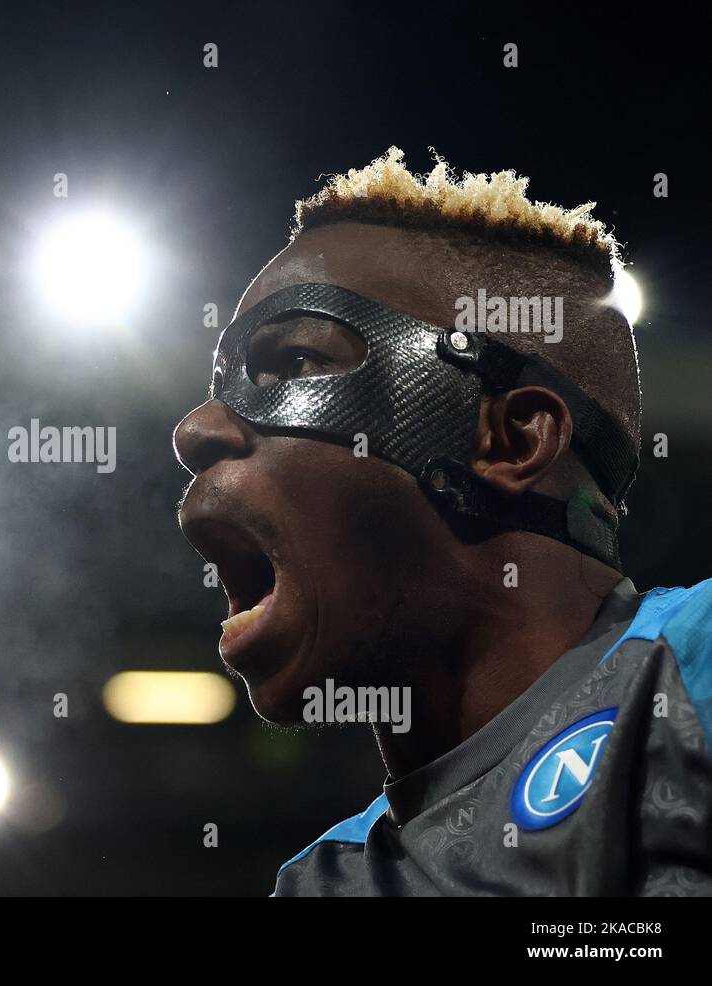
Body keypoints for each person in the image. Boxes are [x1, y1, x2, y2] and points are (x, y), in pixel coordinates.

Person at [173, 147, 712, 895]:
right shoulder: (326, 883)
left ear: (512, 439)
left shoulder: (692, 670)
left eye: (293, 362)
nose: (197, 428)